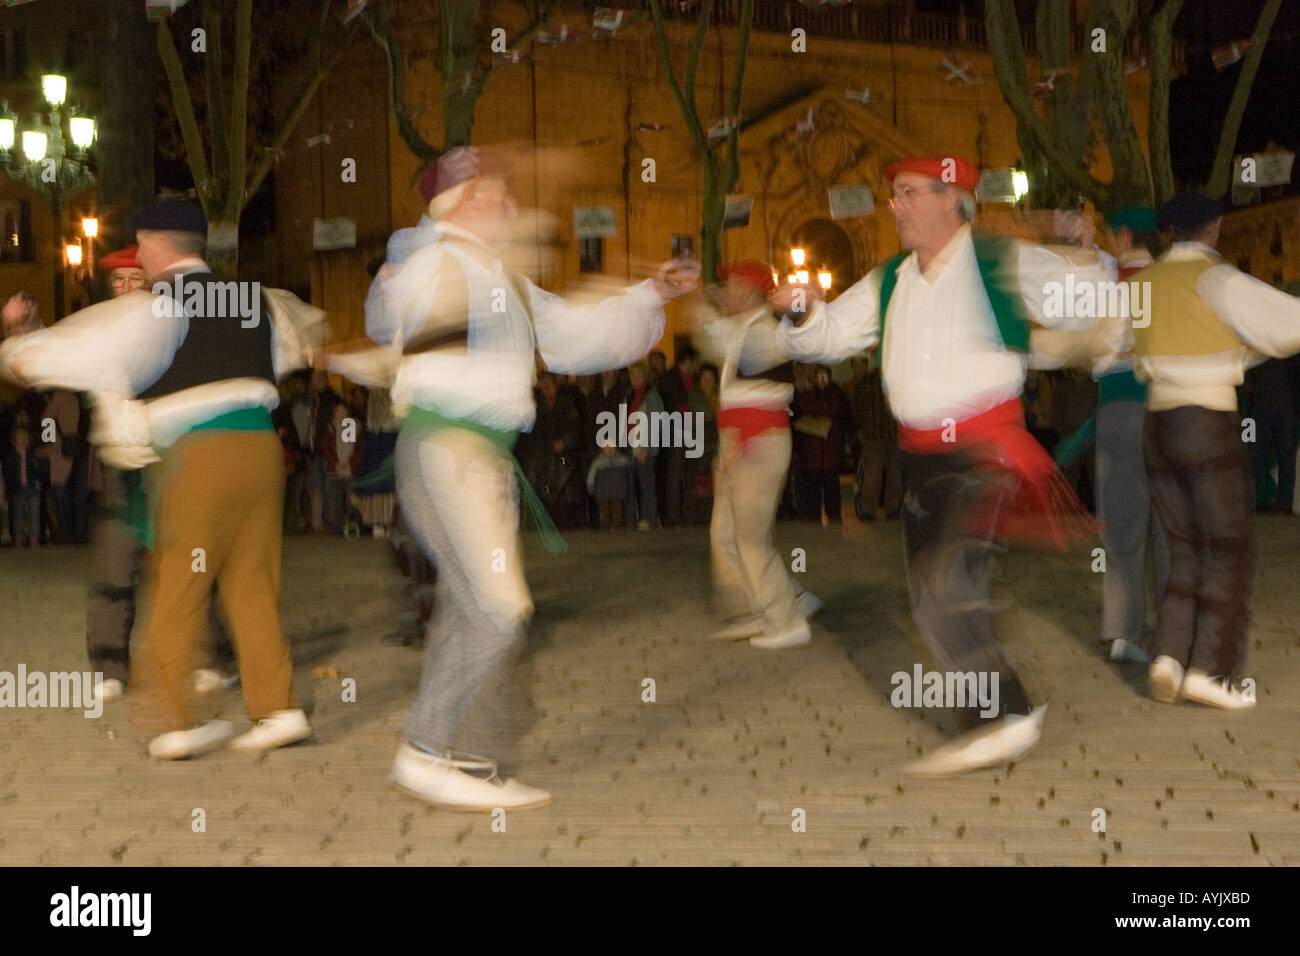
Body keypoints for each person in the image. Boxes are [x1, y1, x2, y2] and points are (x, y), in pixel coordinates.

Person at [366, 146, 699, 811]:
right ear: (458, 205)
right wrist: (426, 243)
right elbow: (389, 310)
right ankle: (426, 751)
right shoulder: (432, 260)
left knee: (475, 607)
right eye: (495, 194)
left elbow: (574, 334)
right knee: (496, 606)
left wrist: (652, 292)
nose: (513, 205)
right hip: (446, 449)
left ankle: (470, 758)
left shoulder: (504, 279)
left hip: (481, 458)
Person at [773, 153, 1114, 776]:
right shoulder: (888, 282)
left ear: (950, 198)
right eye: (894, 195)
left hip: (985, 454)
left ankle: (1003, 719)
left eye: (907, 194)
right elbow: (826, 336)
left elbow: (1091, 299)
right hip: (920, 461)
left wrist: (1090, 253)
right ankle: (1000, 716)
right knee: (934, 593)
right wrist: (799, 311)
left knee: (946, 585)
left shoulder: (998, 262)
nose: (895, 206)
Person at [1, 198, 312, 758]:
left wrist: (19, 349)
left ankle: (171, 719)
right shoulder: (252, 299)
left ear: (158, 244)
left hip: (199, 453)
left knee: (176, 583)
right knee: (250, 584)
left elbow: (90, 353)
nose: (139, 255)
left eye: (142, 243)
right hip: (260, 450)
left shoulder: (158, 304)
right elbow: (293, 348)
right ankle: (278, 708)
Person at [1131, 193, 1300, 709]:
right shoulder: (1216, 278)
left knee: (1182, 546)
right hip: (1205, 419)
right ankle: (1211, 671)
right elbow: (1287, 325)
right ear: (1215, 227)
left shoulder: (1143, 284)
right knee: (1227, 547)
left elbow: (1108, 344)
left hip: (1156, 422)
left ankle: (1169, 655)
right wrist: (1246, 349)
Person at [696, 260, 822, 649]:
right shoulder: (748, 330)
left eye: (732, 284)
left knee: (748, 539)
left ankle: (785, 622)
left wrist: (736, 448)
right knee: (728, 536)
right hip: (745, 441)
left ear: (749, 290)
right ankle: (777, 604)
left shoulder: (764, 331)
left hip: (758, 441)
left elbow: (759, 389)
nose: (726, 291)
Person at [792, 365, 852, 523]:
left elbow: (835, 410)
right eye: (819, 377)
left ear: (830, 378)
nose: (822, 380)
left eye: (824, 377)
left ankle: (833, 513)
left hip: (831, 449)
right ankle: (812, 514)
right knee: (812, 483)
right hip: (813, 450)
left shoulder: (836, 394)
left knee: (832, 483)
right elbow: (801, 409)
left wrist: (815, 413)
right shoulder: (808, 394)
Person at [849, 352, 902, 520]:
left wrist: (858, 428)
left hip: (873, 434)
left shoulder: (864, 382)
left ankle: (868, 510)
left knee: (873, 475)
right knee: (894, 475)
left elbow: (855, 410)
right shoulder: (895, 381)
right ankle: (892, 509)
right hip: (891, 433)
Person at [657, 345, 700, 525]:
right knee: (675, 474)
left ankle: (688, 513)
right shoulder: (670, 379)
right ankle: (673, 516)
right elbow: (674, 404)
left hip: (689, 430)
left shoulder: (688, 379)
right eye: (694, 362)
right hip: (675, 430)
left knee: (690, 473)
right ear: (687, 361)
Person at [624, 361, 663, 530]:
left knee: (646, 484)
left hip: (644, 448)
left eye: (638, 375)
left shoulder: (652, 396)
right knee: (630, 485)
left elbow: (655, 423)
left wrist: (645, 448)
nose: (635, 378)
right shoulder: (629, 394)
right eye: (632, 375)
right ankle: (631, 519)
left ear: (645, 376)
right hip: (630, 446)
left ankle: (648, 518)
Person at [2, 424, 46, 548]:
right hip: (17, 487)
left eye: (25, 436)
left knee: (34, 514)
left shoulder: (34, 453)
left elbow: (41, 469)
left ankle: (34, 539)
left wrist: (39, 480)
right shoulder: (10, 455)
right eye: (19, 436)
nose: (22, 439)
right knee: (18, 515)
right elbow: (8, 473)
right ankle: (18, 540)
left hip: (33, 486)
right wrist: (10, 488)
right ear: (14, 438)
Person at [587, 444, 632, 531]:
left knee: (616, 509)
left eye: (612, 445)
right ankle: (604, 526)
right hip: (602, 491)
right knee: (604, 509)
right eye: (606, 446)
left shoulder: (623, 459)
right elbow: (591, 474)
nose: (609, 448)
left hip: (617, 490)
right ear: (602, 448)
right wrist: (590, 486)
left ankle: (616, 525)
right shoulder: (597, 461)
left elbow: (629, 473)